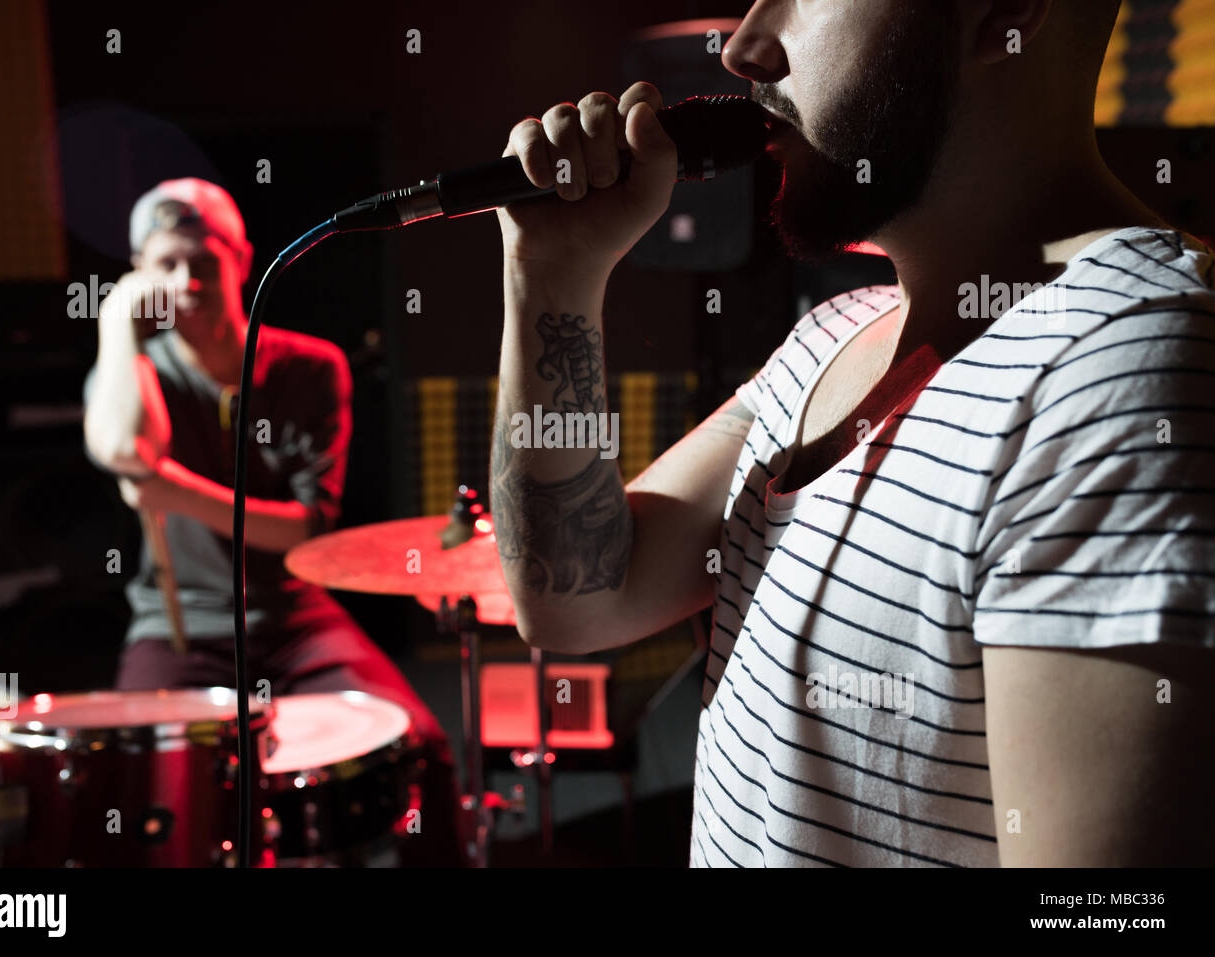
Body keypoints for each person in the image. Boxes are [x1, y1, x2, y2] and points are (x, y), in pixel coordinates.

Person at [490, 0, 1215, 867]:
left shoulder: (1124, 366)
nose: (747, 50)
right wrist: (553, 276)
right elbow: (575, 596)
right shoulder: (833, 336)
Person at [82, 178, 460, 865]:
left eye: (204, 259)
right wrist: (114, 319)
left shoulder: (313, 366)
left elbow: (309, 532)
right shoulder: (131, 371)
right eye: (165, 263)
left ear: (242, 260)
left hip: (294, 618)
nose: (187, 279)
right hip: (179, 626)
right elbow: (120, 449)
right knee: (136, 779)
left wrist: (169, 489)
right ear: (140, 273)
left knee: (422, 745)